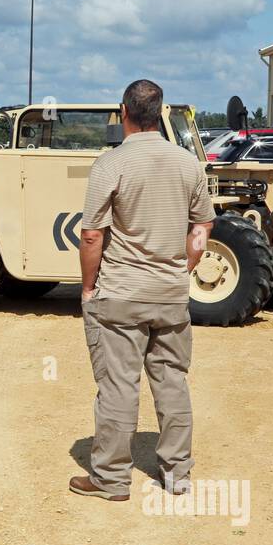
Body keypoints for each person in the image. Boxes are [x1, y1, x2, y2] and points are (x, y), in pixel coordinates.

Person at [70, 79, 216, 502]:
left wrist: (87, 288)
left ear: (123, 112)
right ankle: (177, 475)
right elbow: (203, 226)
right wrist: (185, 266)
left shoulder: (110, 163)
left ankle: (111, 480)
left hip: (120, 293)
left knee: (118, 385)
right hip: (171, 295)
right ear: (161, 113)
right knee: (172, 382)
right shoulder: (188, 164)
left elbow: (92, 236)